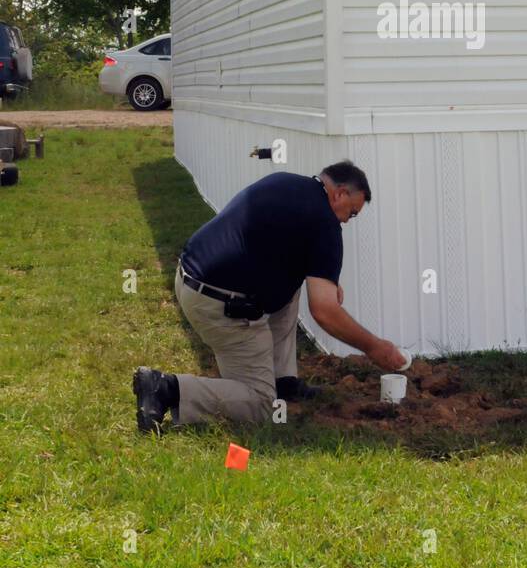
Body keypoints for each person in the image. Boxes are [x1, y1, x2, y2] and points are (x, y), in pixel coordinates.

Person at [133, 160, 407, 434]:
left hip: (190, 278)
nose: (347, 220)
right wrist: (374, 347)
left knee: (293, 286)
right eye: (353, 212)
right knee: (262, 403)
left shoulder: (283, 182)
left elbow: (278, 249)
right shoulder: (325, 224)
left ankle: (283, 381)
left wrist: (323, 279)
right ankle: (166, 387)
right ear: (341, 193)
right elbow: (324, 311)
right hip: (220, 305)